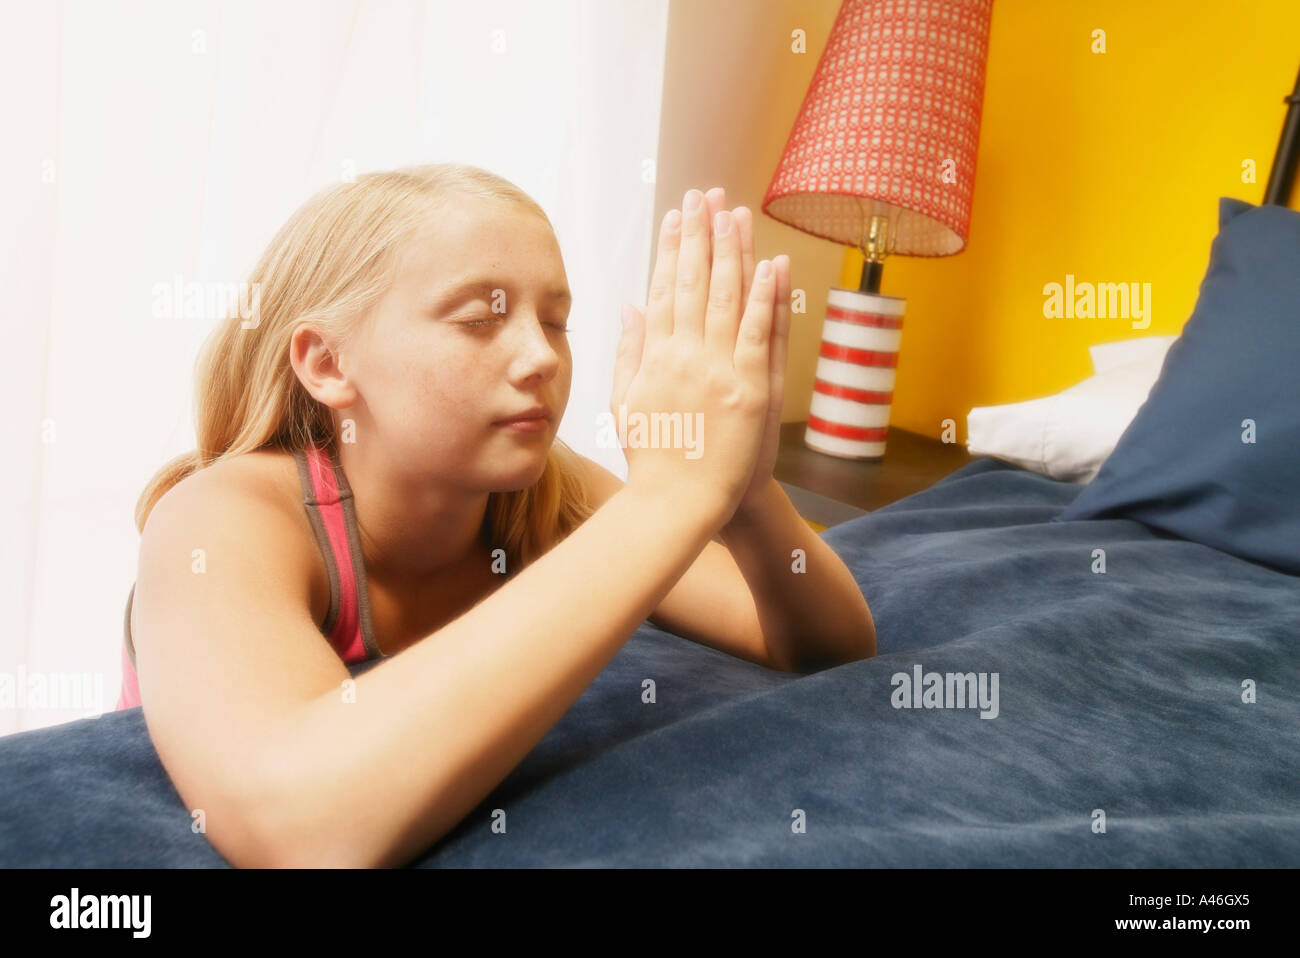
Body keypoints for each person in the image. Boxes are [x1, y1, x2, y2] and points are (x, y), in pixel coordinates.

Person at [123, 163, 876, 867]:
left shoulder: (544, 496)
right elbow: (296, 822)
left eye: (555, 322)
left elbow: (823, 647)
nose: (541, 358)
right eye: (480, 320)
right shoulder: (220, 517)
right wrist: (668, 498)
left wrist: (744, 496)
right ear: (327, 364)